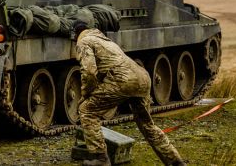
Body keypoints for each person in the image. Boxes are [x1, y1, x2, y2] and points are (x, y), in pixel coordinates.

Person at [74, 20, 186, 166]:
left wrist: (85, 94)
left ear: (75, 33)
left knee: (86, 111)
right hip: (142, 77)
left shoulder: (84, 42)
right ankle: (175, 162)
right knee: (147, 124)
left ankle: (100, 157)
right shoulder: (106, 41)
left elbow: (89, 72)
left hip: (123, 80)